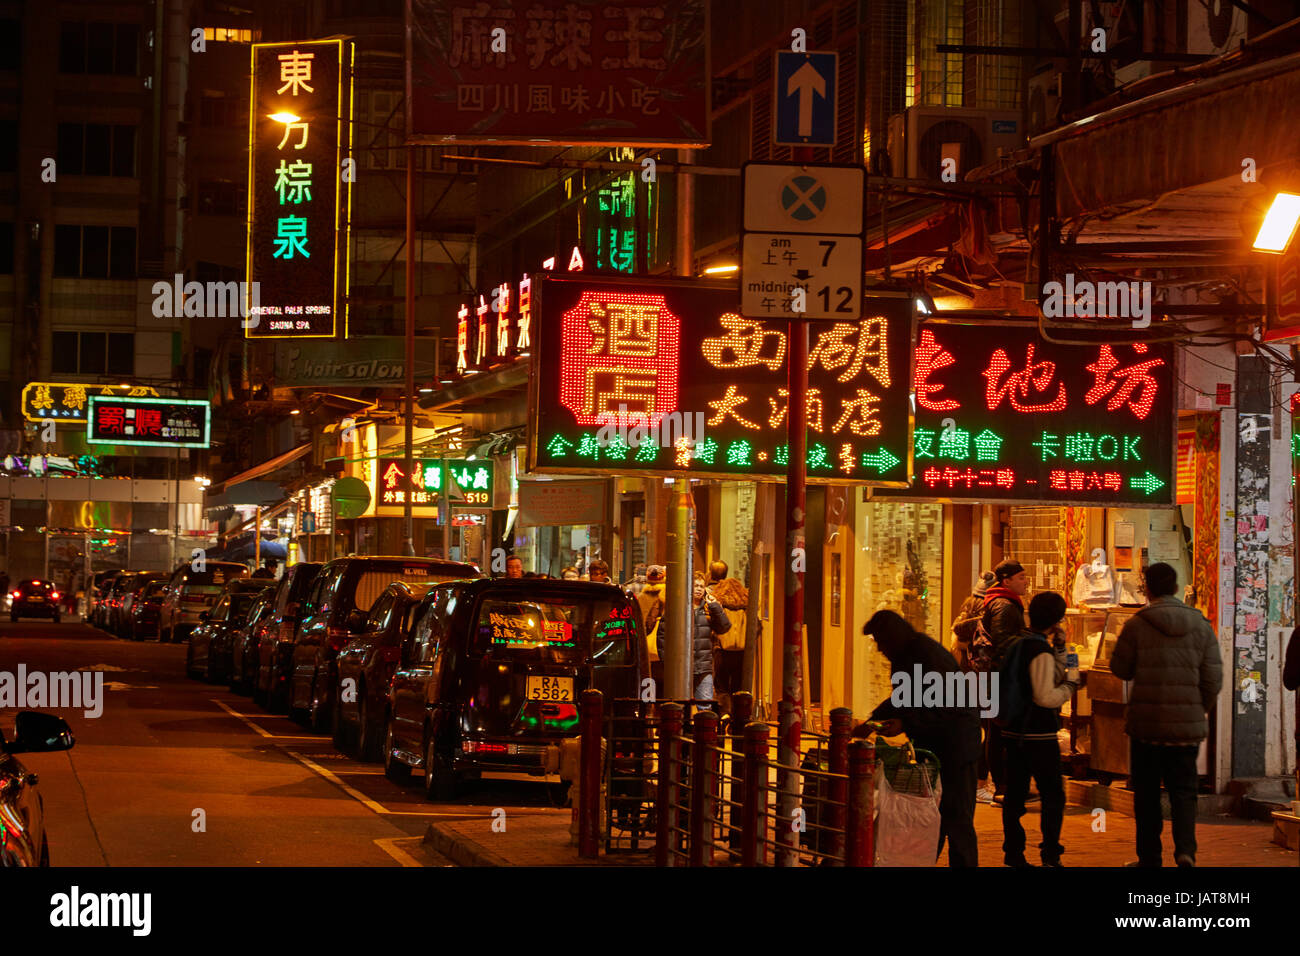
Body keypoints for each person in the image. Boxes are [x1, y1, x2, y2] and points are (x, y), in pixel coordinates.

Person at [1109, 562, 1222, 867]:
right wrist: (1199, 710)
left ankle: (1149, 857)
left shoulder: (1136, 624)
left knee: (1146, 796)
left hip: (1146, 726)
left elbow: (1120, 669)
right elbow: (1213, 677)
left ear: (1148, 589)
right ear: (1175, 588)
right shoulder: (1201, 625)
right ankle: (1185, 851)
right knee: (1184, 793)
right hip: (1186, 728)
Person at [856, 609, 981, 867]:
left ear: (891, 637)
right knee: (931, 813)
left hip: (956, 746)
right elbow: (903, 697)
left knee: (956, 816)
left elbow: (946, 706)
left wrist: (905, 722)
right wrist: (872, 722)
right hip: (936, 746)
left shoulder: (925, 655)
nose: (879, 648)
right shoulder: (904, 655)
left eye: (880, 641)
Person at [1000, 591, 1076, 867]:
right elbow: (1045, 695)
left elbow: (1047, 674)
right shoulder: (1038, 650)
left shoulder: (1019, 644)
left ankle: (1013, 852)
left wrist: (1060, 648)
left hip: (1012, 729)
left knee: (1015, 795)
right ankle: (1050, 854)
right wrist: (1069, 688)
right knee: (1053, 794)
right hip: (1037, 733)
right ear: (1056, 620)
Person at [980, 559, 1029, 804]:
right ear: (1006, 580)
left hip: (996, 677)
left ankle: (1004, 785)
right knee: (999, 732)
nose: (1025, 581)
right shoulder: (1004, 605)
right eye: (1020, 577)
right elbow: (1002, 641)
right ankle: (1002, 787)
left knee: (996, 731)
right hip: (1000, 678)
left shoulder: (1003, 602)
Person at [657, 571, 730, 706]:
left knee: (705, 706)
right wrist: (666, 662)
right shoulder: (677, 608)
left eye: (701, 586)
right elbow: (662, 636)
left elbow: (724, 627)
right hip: (680, 667)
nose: (698, 589)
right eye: (695, 586)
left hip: (703, 666)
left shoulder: (709, 608)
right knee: (678, 706)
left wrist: (715, 606)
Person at [638, 566, 667, 692]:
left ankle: (648, 708)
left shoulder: (641, 597)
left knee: (647, 682)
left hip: (645, 647)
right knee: (663, 686)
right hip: (663, 646)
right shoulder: (667, 597)